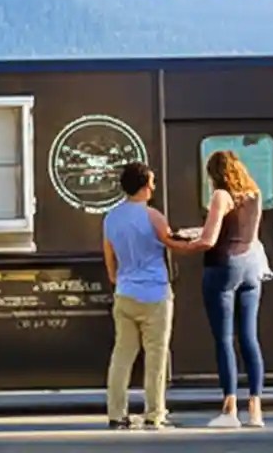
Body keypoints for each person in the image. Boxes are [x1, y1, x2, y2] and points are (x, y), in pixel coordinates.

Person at [102, 161, 198, 430]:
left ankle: (116, 413)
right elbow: (172, 242)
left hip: (125, 293)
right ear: (144, 187)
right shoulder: (153, 216)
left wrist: (117, 278)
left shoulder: (110, 218)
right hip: (155, 293)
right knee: (156, 355)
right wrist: (199, 239)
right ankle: (154, 413)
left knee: (122, 355)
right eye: (152, 183)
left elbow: (109, 255)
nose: (154, 187)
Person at [185, 150, 270, 428]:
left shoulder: (221, 196)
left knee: (224, 339)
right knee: (249, 338)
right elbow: (245, 232)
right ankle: (256, 410)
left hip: (223, 267)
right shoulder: (254, 194)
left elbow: (210, 240)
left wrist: (180, 243)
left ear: (215, 174)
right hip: (251, 267)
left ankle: (229, 409)